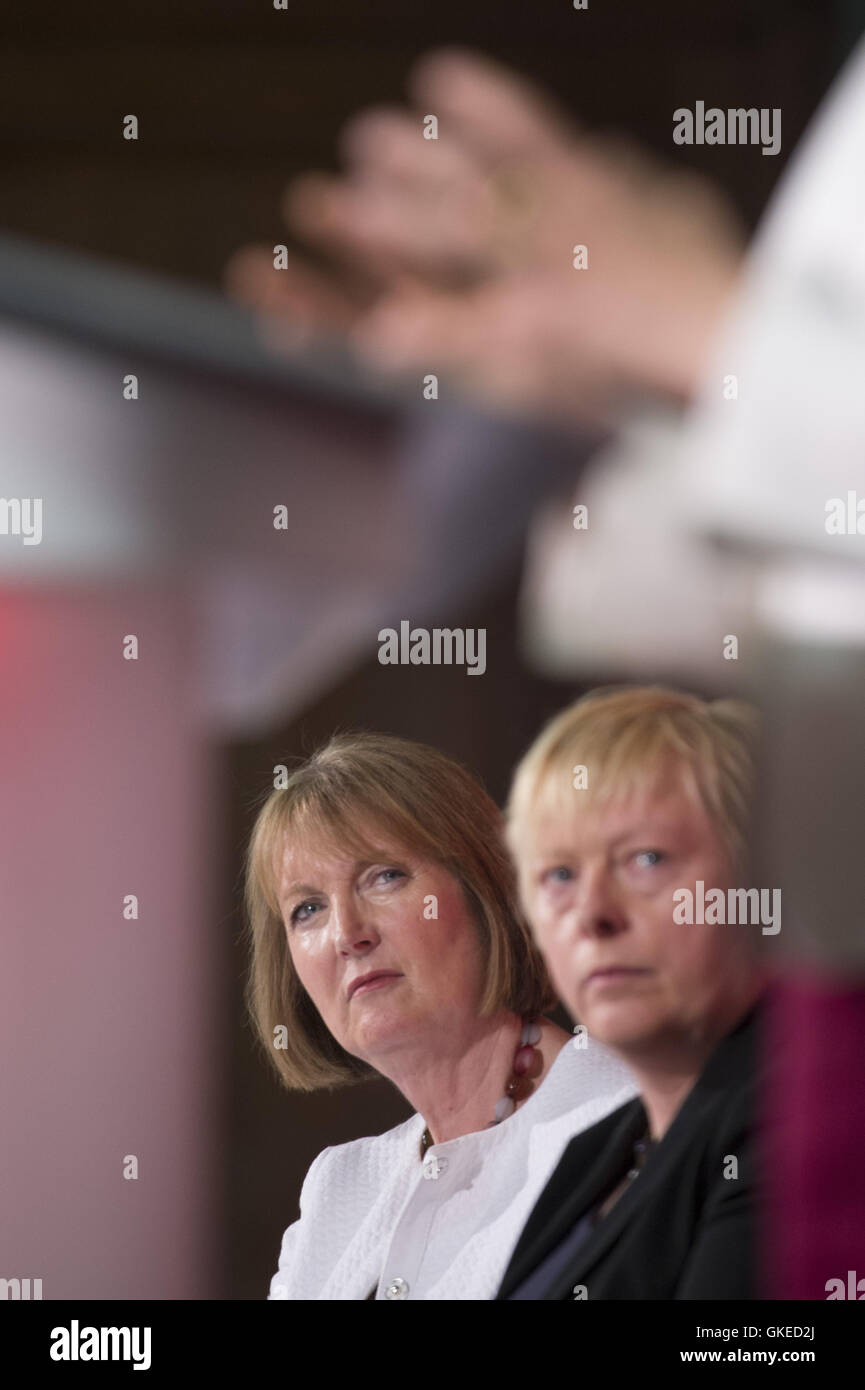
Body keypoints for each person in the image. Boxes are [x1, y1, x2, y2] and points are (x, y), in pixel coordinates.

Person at [244, 731, 636, 1299]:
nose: (347, 935)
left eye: (384, 877)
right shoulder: (338, 1191)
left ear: (488, 890)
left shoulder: (627, 1118)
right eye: (308, 909)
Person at [496, 685, 770, 1299]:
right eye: (559, 875)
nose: (593, 912)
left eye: (645, 859)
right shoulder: (594, 1153)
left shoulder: (797, 1115)